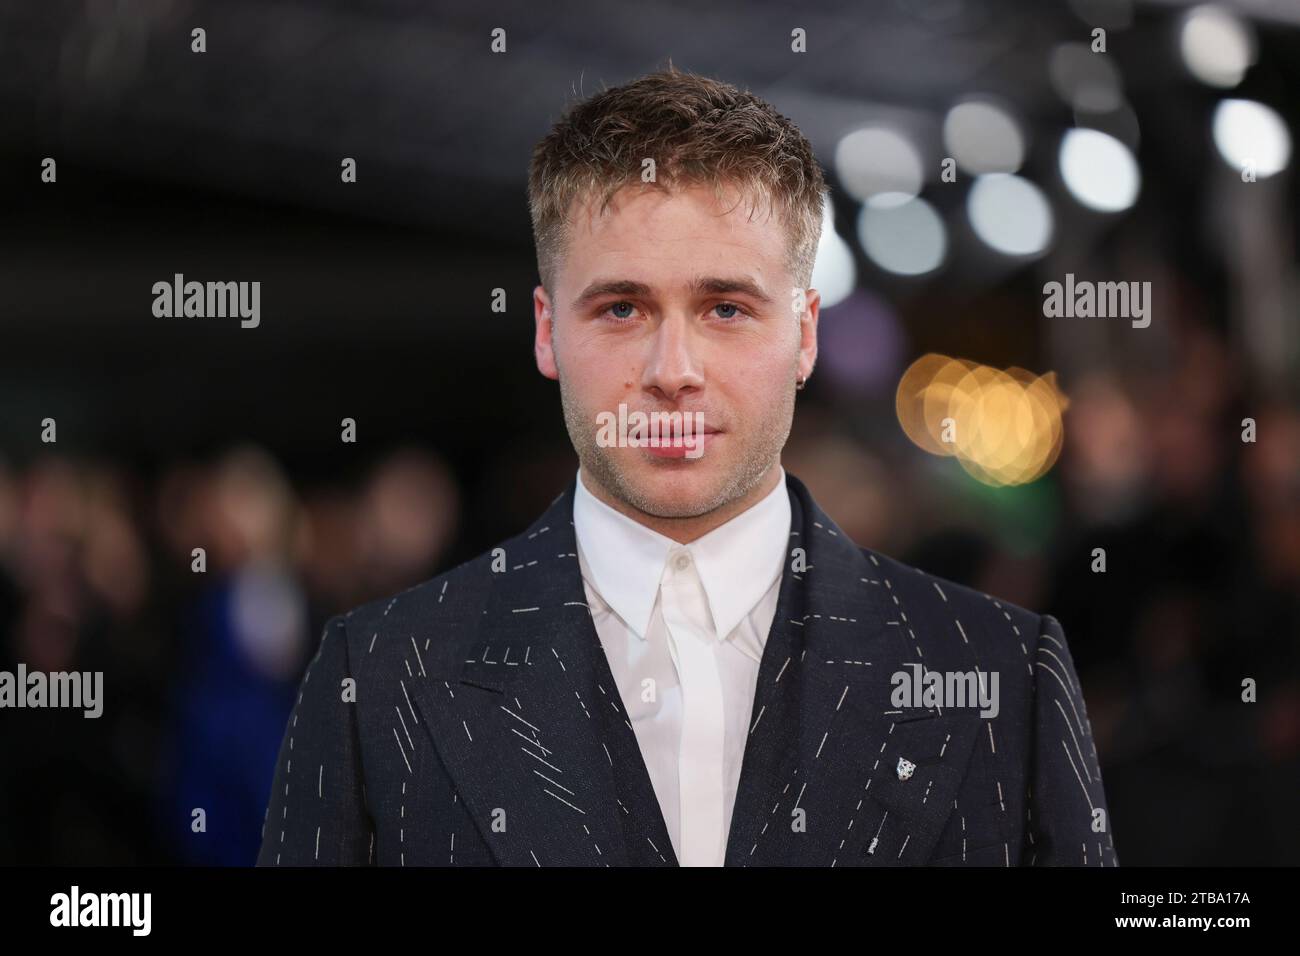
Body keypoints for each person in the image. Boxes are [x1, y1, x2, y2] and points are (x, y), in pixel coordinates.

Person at [257, 66, 1117, 867]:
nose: (673, 369)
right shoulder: (375, 679)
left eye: (726, 308)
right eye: (623, 307)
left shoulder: (1007, 674)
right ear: (548, 330)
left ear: (806, 334)